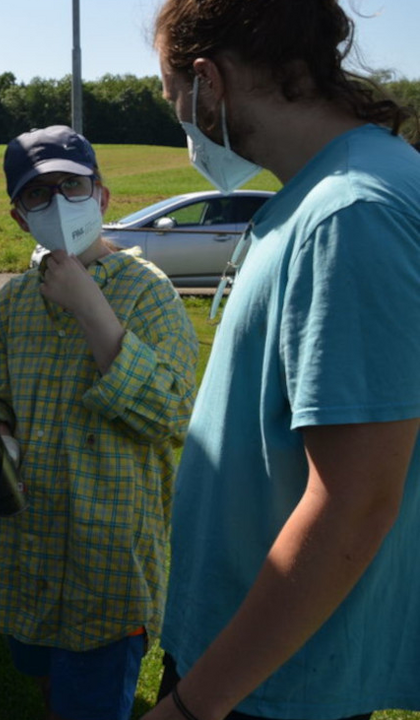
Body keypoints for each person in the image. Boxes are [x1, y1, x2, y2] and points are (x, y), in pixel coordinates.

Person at [143, 2, 420, 719]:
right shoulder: (319, 196)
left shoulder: (349, 214)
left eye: (172, 93)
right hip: (250, 658)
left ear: (209, 80)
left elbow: (354, 504)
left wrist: (193, 706)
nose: (178, 115)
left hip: (271, 685)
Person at [0, 125, 198, 720]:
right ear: (20, 218)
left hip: (107, 561)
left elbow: (168, 413)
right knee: (46, 677)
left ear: (103, 197)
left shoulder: (150, 296)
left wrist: (92, 308)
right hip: (28, 546)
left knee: (91, 698)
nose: (58, 202)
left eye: (72, 185)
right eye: (38, 195)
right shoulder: (12, 302)